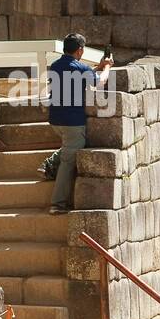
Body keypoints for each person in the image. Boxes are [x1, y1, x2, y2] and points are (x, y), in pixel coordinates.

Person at [41, 33, 112, 215]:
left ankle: (48, 165)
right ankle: (58, 203)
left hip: (55, 120)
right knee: (69, 159)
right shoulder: (81, 68)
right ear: (80, 50)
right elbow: (100, 82)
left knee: (71, 145)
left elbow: (79, 74)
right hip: (72, 121)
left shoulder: (56, 66)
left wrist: (98, 67)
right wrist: (107, 68)